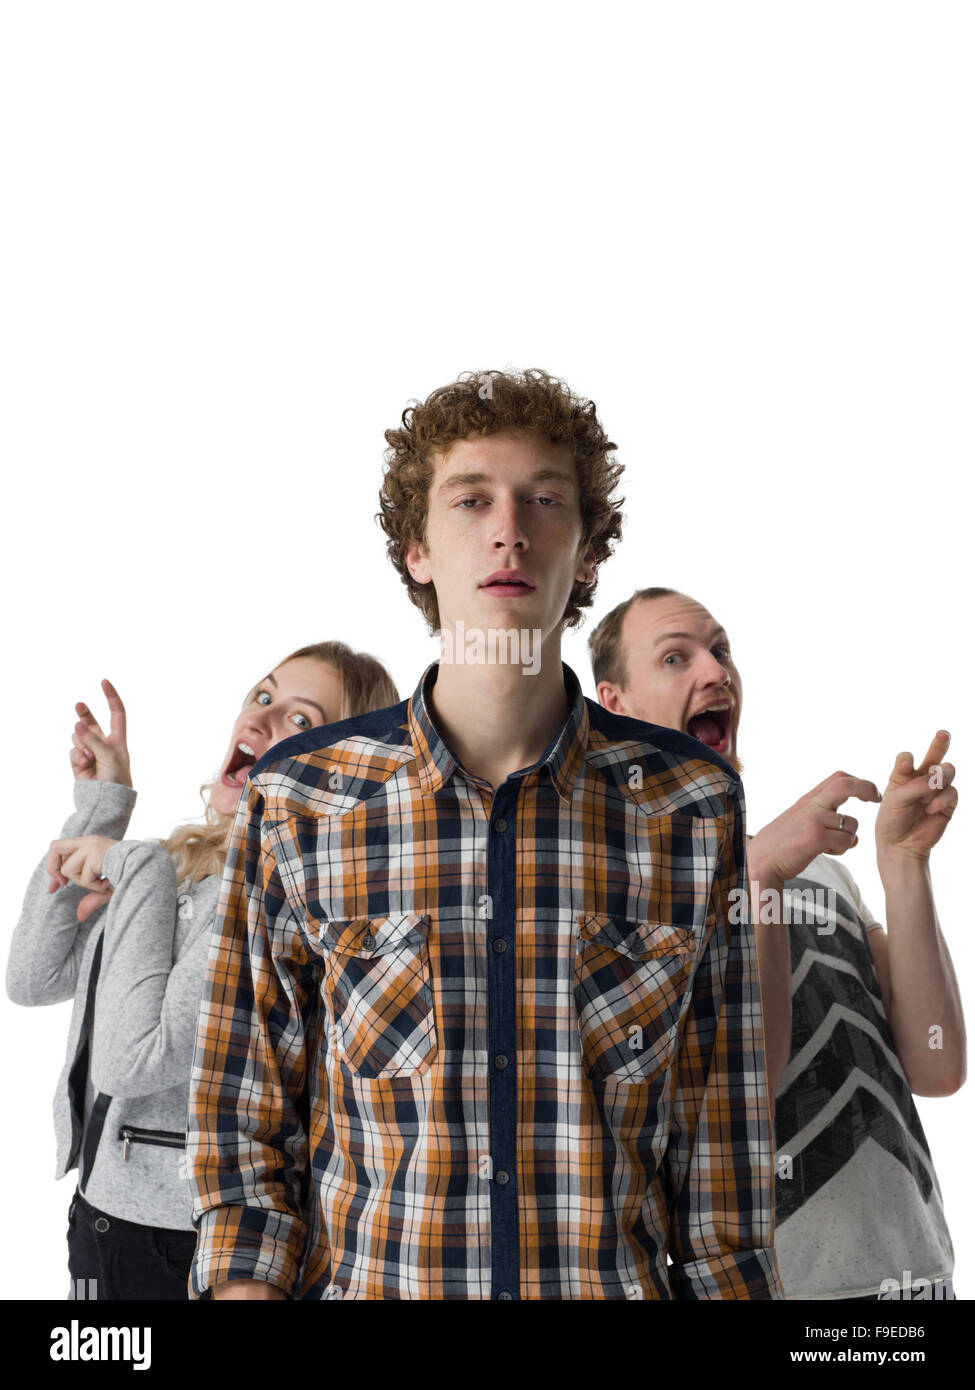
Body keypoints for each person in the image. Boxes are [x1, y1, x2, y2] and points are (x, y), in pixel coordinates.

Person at [185, 368, 784, 1300]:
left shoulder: (692, 805)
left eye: (545, 500)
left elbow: (722, 1157)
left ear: (587, 553)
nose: (509, 528)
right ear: (416, 548)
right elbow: (242, 1122)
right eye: (472, 500)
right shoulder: (299, 799)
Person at [589, 586, 964, 1301]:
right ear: (615, 705)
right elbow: (740, 1091)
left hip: (919, 1285)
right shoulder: (620, 892)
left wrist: (903, 864)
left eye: (720, 649)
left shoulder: (819, 870)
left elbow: (937, 1064)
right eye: (676, 657)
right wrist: (754, 875)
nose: (715, 671)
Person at [6, 642, 398, 1301]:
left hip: (193, 1243)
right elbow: (32, 978)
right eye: (264, 696)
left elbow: (134, 1061)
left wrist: (137, 870)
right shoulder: (183, 867)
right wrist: (104, 807)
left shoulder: (279, 900)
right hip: (101, 1211)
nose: (261, 720)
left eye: (301, 721)